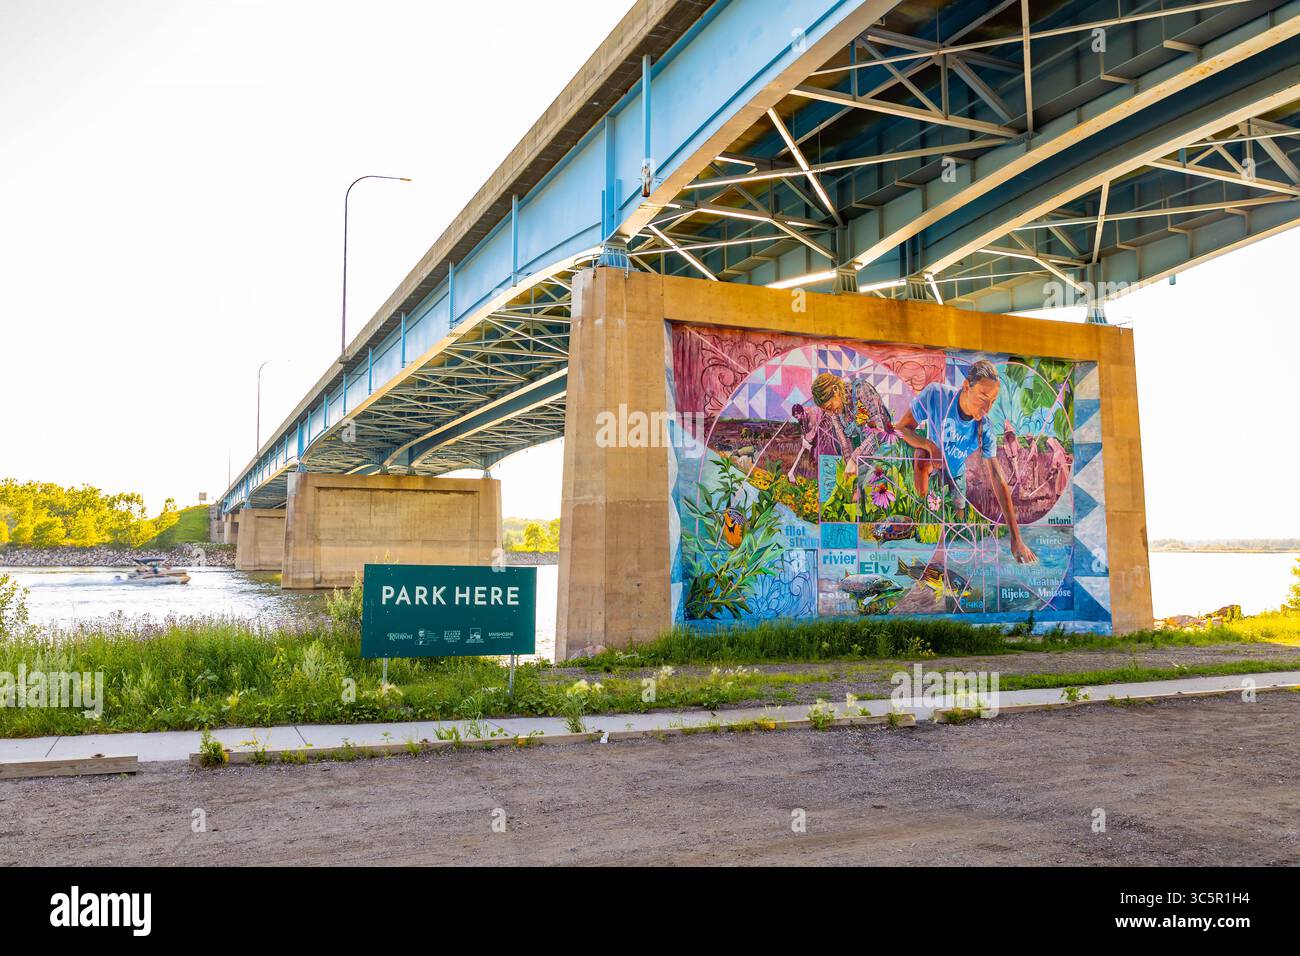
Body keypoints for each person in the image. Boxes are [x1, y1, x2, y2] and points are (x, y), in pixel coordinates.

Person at [893, 359, 1038, 564]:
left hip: (957, 474)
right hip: (933, 466)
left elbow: (997, 477)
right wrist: (929, 445)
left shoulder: (985, 427)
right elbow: (902, 428)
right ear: (966, 387)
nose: (987, 408)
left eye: (993, 401)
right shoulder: (936, 395)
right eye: (982, 397)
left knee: (958, 516)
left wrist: (1016, 539)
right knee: (920, 458)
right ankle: (919, 520)